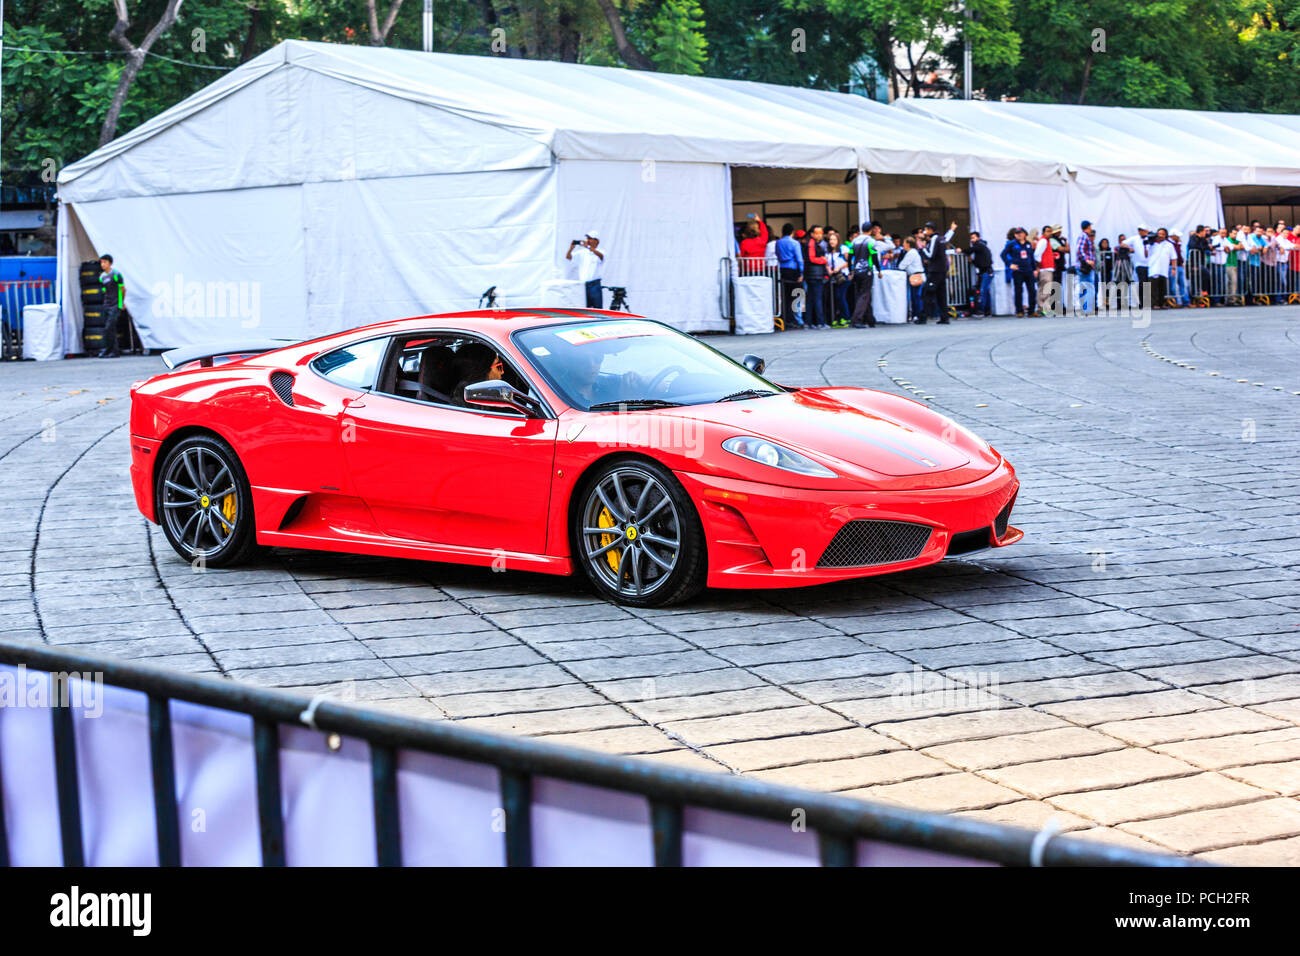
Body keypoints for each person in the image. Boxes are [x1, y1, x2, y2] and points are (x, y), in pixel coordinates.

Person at [917, 220, 955, 324]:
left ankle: (923, 317)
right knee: (941, 294)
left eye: (925, 229)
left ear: (930, 230)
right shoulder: (942, 238)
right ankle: (944, 317)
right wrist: (952, 230)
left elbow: (930, 255)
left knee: (927, 293)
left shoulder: (934, 239)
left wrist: (923, 248)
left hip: (935, 271)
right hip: (942, 270)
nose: (925, 232)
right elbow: (947, 238)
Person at [849, 222, 879, 328]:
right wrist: (879, 270)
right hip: (867, 270)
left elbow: (850, 255)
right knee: (864, 295)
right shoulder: (871, 241)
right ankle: (856, 319)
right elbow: (874, 256)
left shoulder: (855, 240)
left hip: (857, 270)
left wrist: (850, 270)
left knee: (862, 295)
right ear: (871, 230)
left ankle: (870, 319)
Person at [97, 253, 126, 358]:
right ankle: (108, 350)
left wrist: (121, 303)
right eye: (101, 262)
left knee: (110, 327)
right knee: (107, 328)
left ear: (110, 263)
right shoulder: (102, 277)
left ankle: (114, 351)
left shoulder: (116, 274)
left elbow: (122, 289)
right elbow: (105, 291)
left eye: (105, 262)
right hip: (107, 304)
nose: (102, 264)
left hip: (115, 305)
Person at [775, 223, 804, 329]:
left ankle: (786, 319)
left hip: (783, 269)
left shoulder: (778, 242)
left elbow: (777, 254)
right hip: (793, 270)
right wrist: (801, 272)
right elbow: (799, 258)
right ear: (792, 232)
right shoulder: (795, 243)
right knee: (797, 295)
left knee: (785, 296)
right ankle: (797, 319)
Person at [566, 232, 606, 308]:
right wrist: (571, 248)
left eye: (590, 238)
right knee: (584, 308)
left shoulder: (601, 251)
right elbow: (568, 257)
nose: (588, 240)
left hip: (595, 284)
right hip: (583, 285)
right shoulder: (582, 252)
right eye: (587, 238)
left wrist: (588, 247)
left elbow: (601, 256)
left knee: (598, 308)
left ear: (596, 241)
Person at [1002, 227, 1035, 317]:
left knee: (1032, 290)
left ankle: (1031, 311)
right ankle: (1019, 311)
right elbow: (1003, 254)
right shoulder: (1011, 244)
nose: (1019, 235)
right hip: (1018, 271)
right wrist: (1010, 264)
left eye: (1021, 233)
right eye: (1017, 233)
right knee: (1018, 291)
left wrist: (1034, 269)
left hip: (1028, 270)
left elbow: (1031, 257)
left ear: (1025, 234)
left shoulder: (1028, 244)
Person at [804, 225, 829, 329]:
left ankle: (809, 322)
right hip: (815, 274)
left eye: (821, 232)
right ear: (812, 234)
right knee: (817, 298)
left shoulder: (811, 243)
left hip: (811, 274)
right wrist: (823, 260)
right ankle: (820, 322)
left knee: (810, 299)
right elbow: (811, 258)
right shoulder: (811, 243)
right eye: (817, 233)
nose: (820, 235)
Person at [826, 231, 851, 327]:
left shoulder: (843, 249)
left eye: (834, 239)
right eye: (830, 239)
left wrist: (839, 268)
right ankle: (838, 317)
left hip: (843, 276)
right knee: (836, 297)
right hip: (834, 277)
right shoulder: (828, 252)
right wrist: (829, 269)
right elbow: (827, 263)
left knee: (841, 296)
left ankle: (846, 317)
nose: (832, 241)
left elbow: (849, 261)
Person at [897, 237, 925, 321]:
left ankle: (918, 315)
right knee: (915, 296)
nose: (903, 245)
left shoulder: (911, 253)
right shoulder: (913, 252)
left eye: (904, 243)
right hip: (917, 275)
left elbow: (902, 265)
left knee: (916, 296)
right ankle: (916, 315)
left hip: (915, 276)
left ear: (908, 244)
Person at [1147, 228, 1176, 309]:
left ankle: (1162, 303)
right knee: (1153, 288)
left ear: (1165, 235)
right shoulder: (1151, 244)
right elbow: (1146, 254)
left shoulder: (1169, 245)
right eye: (1159, 233)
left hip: (1164, 269)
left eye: (1163, 234)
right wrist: (1147, 244)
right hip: (1153, 268)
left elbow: (1173, 257)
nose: (1161, 236)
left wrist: (1173, 268)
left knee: (1163, 288)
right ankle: (1154, 304)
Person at [966, 231, 993, 317]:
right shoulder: (981, 247)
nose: (972, 240)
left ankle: (980, 310)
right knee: (986, 291)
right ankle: (987, 310)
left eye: (973, 238)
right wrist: (973, 261)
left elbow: (970, 250)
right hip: (985, 272)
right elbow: (979, 262)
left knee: (982, 291)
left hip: (986, 272)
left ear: (978, 238)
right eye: (971, 238)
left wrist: (962, 251)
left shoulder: (979, 245)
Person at [1075, 220, 1098, 314]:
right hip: (1085, 266)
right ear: (1088, 227)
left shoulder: (1084, 236)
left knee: (1085, 287)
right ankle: (1087, 309)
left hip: (1085, 266)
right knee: (1088, 287)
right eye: (1090, 226)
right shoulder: (1084, 236)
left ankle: (1086, 308)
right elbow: (1079, 250)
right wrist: (1087, 260)